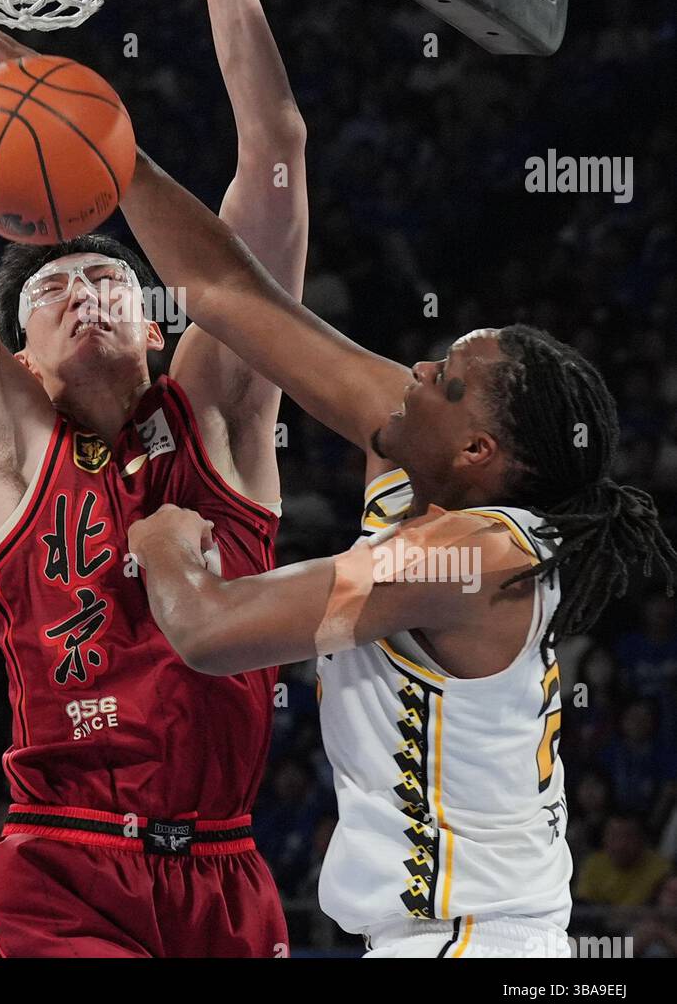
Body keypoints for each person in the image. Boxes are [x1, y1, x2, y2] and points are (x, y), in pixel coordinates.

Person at [0, 0, 308, 957]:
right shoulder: (4, 446)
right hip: (59, 867)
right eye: (58, 285)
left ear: (157, 321)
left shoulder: (216, 413)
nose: (88, 293)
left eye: (111, 278)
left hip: (226, 865)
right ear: (18, 357)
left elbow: (274, 152)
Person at [120, 151, 677, 958]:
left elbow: (208, 631)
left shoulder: (479, 557)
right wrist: (116, 151)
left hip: (475, 945)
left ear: (479, 448)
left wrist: (160, 542)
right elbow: (229, 298)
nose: (418, 369)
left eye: (445, 379)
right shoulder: (426, 467)